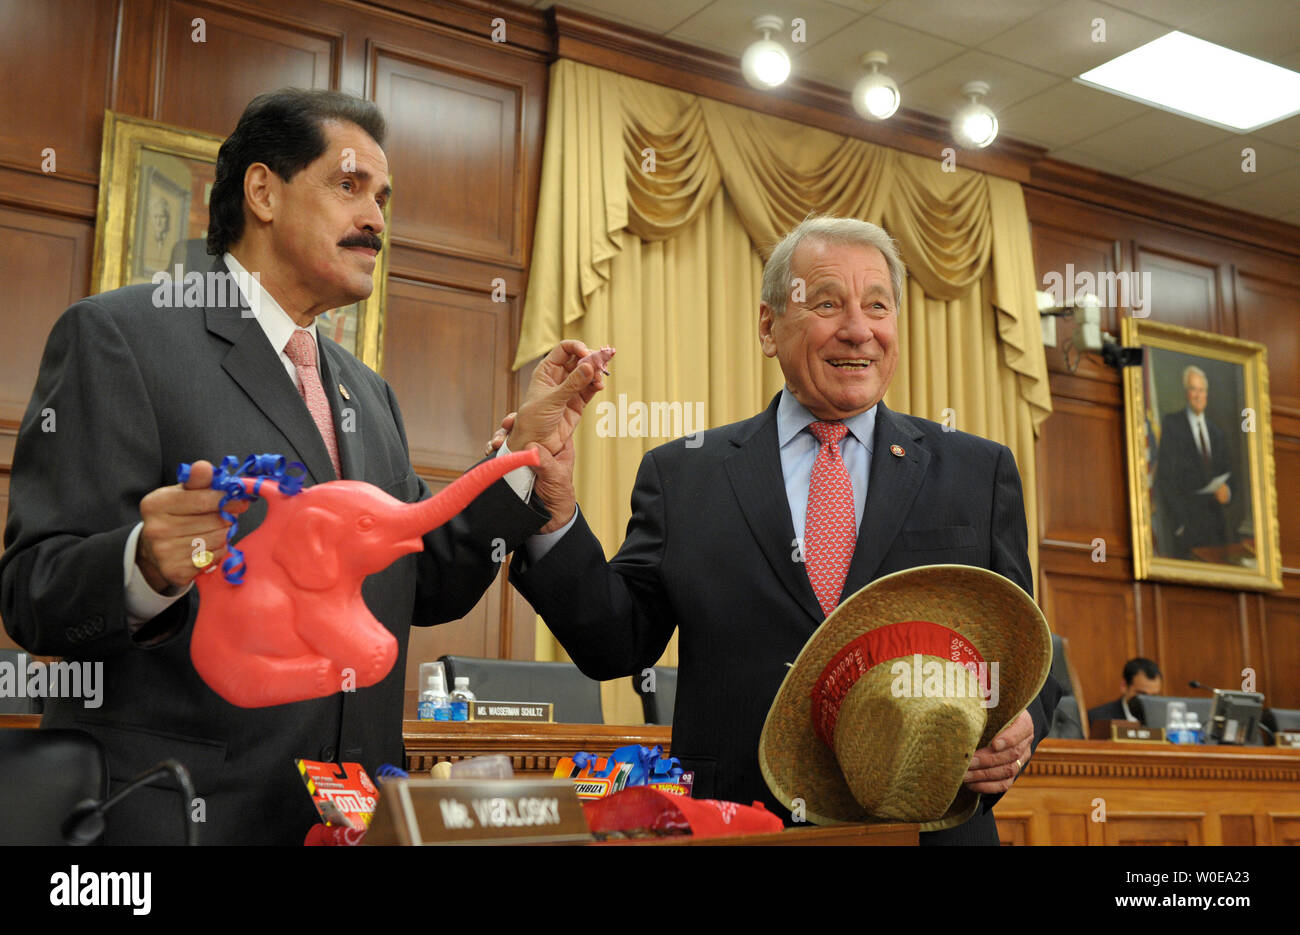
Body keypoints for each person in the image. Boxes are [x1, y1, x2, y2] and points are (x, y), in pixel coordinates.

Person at [0, 88, 599, 845]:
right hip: (185, 819)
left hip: (354, 822)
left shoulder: (366, 391)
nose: (378, 220)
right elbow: (33, 593)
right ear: (263, 193)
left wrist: (521, 461)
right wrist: (144, 565)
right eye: (350, 186)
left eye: (384, 198)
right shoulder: (120, 337)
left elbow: (427, 577)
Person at [495, 216, 1061, 845]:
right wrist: (551, 507)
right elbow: (614, 644)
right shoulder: (684, 474)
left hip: (927, 826)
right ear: (769, 326)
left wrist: (1022, 725)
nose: (858, 328)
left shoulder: (977, 472)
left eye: (878, 305)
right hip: (744, 822)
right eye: (827, 303)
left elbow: (1028, 654)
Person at [1153, 365, 1233, 559]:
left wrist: (1227, 492)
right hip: (1186, 529)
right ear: (1186, 393)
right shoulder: (1172, 424)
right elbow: (1165, 480)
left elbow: (1230, 476)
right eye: (1193, 389)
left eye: (1201, 390)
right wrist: (1179, 525)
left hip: (1215, 529)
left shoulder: (1216, 433)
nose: (1198, 395)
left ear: (1207, 394)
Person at [1088, 658, 1163, 725]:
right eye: (1142, 694)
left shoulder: (1164, 719)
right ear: (1124, 686)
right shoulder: (1098, 719)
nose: (1148, 701)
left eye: (1153, 696)